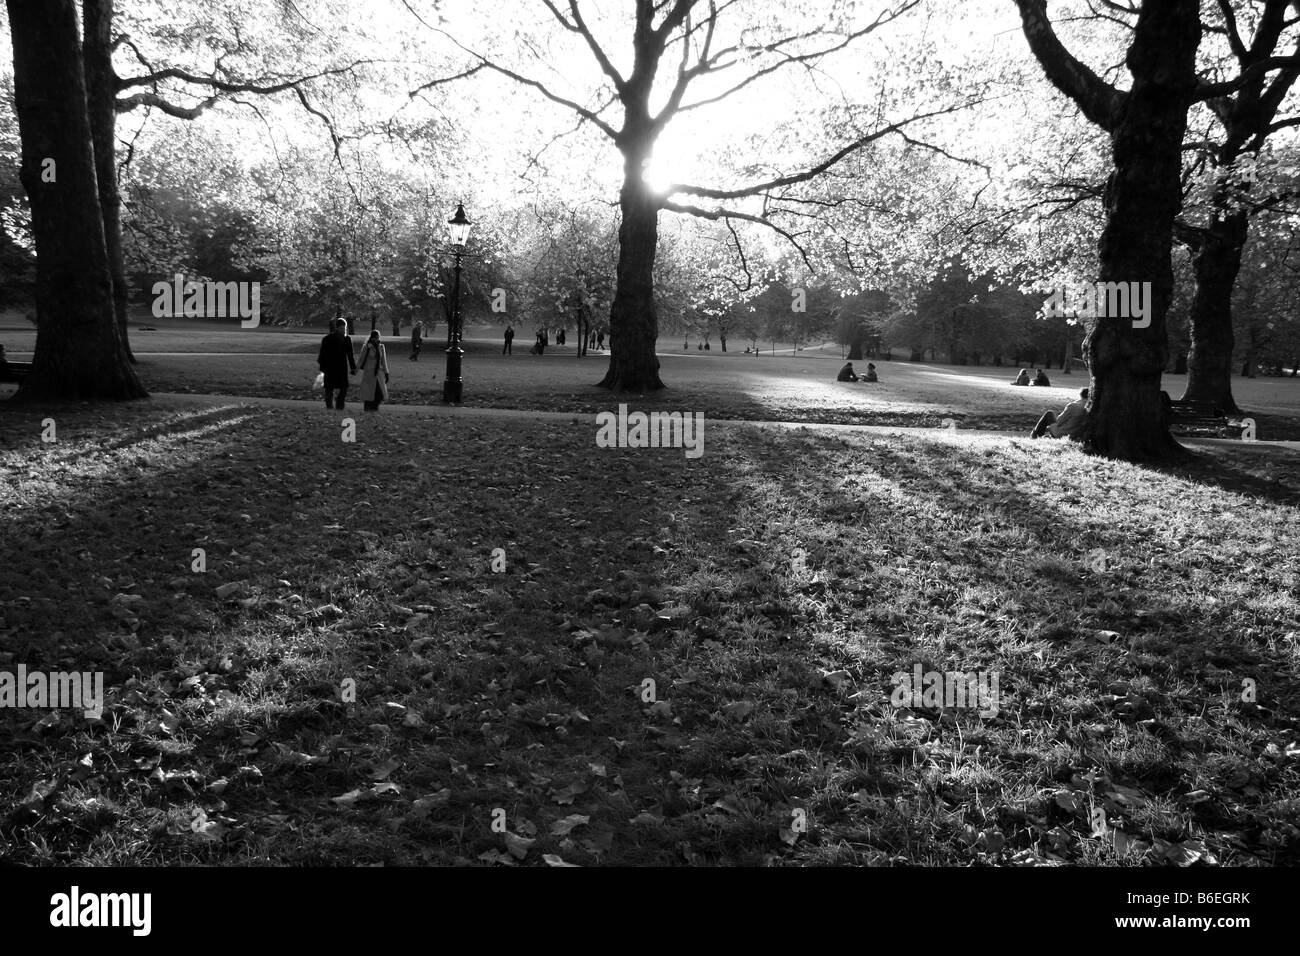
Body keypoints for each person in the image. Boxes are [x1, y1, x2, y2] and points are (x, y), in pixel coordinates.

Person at [318, 318, 357, 410]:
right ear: (337, 328)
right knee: (329, 389)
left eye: (344, 328)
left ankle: (338, 405)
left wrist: (353, 368)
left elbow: (350, 355)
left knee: (342, 388)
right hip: (331, 367)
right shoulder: (328, 339)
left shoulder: (346, 339)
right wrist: (323, 367)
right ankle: (331, 406)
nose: (343, 330)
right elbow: (323, 354)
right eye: (341, 328)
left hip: (340, 367)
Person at [357, 330, 390, 412]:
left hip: (378, 373)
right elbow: (361, 360)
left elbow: (383, 361)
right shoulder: (367, 347)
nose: (377, 339)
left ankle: (374, 408)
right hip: (369, 373)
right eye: (375, 337)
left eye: (378, 337)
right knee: (369, 394)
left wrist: (386, 373)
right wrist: (355, 370)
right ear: (372, 338)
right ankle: (368, 408)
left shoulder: (381, 347)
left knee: (379, 393)